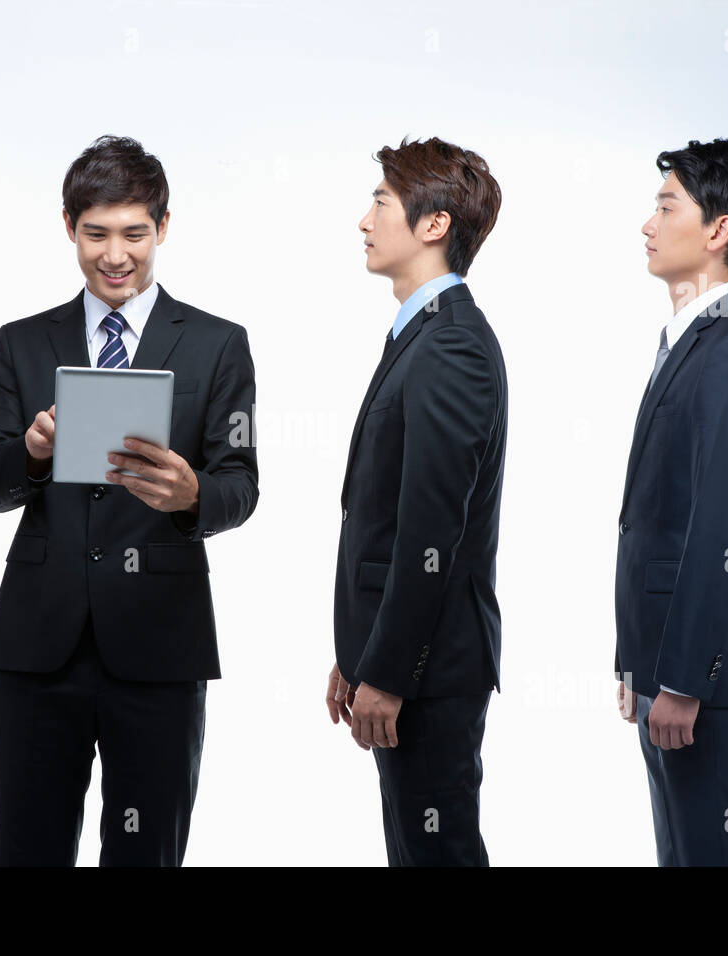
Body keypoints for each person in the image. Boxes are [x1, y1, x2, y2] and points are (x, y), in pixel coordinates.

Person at [0, 134, 259, 866]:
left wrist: (193, 495)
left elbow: (242, 483)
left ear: (164, 227)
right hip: (38, 649)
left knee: (146, 853)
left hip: (160, 646)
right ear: (68, 226)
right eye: (96, 233)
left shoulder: (219, 345)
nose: (115, 254)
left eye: (135, 233)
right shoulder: (22, 342)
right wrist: (32, 454)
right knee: (27, 850)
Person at [328, 136, 506, 866]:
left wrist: (390, 671)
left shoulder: (453, 346)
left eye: (379, 202)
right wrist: (359, 654)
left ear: (433, 224)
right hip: (408, 663)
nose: (364, 222)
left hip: (430, 671)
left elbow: (431, 531)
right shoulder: (422, 336)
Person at [615, 138, 728, 866]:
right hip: (666, 674)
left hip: (707, 679)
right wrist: (636, 665)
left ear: (718, 230)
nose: (647, 226)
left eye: (665, 206)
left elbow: (724, 527)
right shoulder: (682, 343)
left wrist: (682, 679)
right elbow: (655, 524)